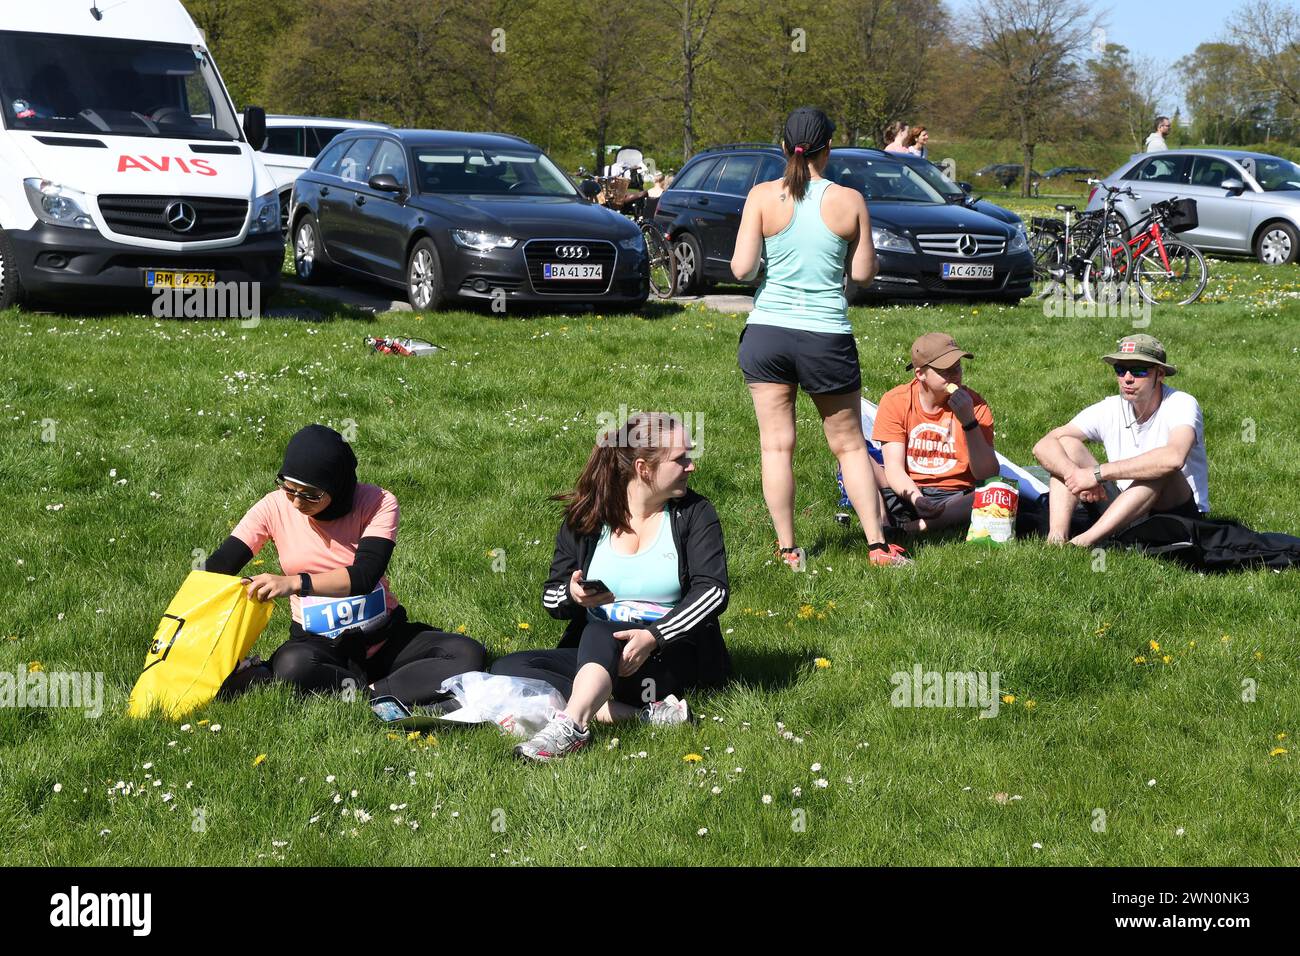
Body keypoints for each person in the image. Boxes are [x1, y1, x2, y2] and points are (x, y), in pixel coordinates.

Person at [492, 412, 731, 761]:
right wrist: (574, 596)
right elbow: (551, 596)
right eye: (681, 459)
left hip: (669, 656)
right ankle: (645, 717)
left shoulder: (694, 513)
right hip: (603, 660)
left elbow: (713, 591)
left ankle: (570, 727)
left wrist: (655, 636)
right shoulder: (588, 518)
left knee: (601, 633)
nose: (691, 466)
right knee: (509, 669)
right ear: (643, 468)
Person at [730, 106, 908, 568]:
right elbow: (864, 274)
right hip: (826, 336)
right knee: (849, 444)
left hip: (767, 333)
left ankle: (788, 550)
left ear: (785, 147)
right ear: (827, 149)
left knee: (775, 445)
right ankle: (876, 547)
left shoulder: (761, 196)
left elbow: (742, 269)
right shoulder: (850, 200)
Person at [205, 424, 487, 705]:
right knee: (292, 666)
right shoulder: (274, 506)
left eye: (310, 494)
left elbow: (365, 575)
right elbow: (220, 565)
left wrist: (294, 583)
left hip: (383, 638)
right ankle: (390, 690)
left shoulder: (378, 502)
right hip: (318, 644)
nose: (296, 502)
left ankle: (370, 695)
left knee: (467, 652)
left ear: (337, 486)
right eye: (289, 489)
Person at [1032, 335, 1208, 548]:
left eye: (1138, 371)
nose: (1127, 378)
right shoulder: (1110, 407)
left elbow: (1174, 458)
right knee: (1067, 445)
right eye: (1120, 370)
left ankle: (1082, 542)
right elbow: (1043, 445)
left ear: (1160, 374)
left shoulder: (1181, 403)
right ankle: (1057, 539)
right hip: (1123, 507)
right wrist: (1075, 475)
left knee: (1159, 468)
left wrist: (1096, 474)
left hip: (1174, 514)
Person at [872, 333, 997, 533]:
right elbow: (894, 468)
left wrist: (970, 423)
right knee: (858, 457)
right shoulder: (896, 400)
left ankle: (910, 529)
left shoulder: (975, 404)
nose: (955, 374)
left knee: (994, 491)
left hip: (955, 497)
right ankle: (883, 527)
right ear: (920, 374)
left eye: (957, 366)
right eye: (945, 370)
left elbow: (987, 474)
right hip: (906, 493)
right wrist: (916, 498)